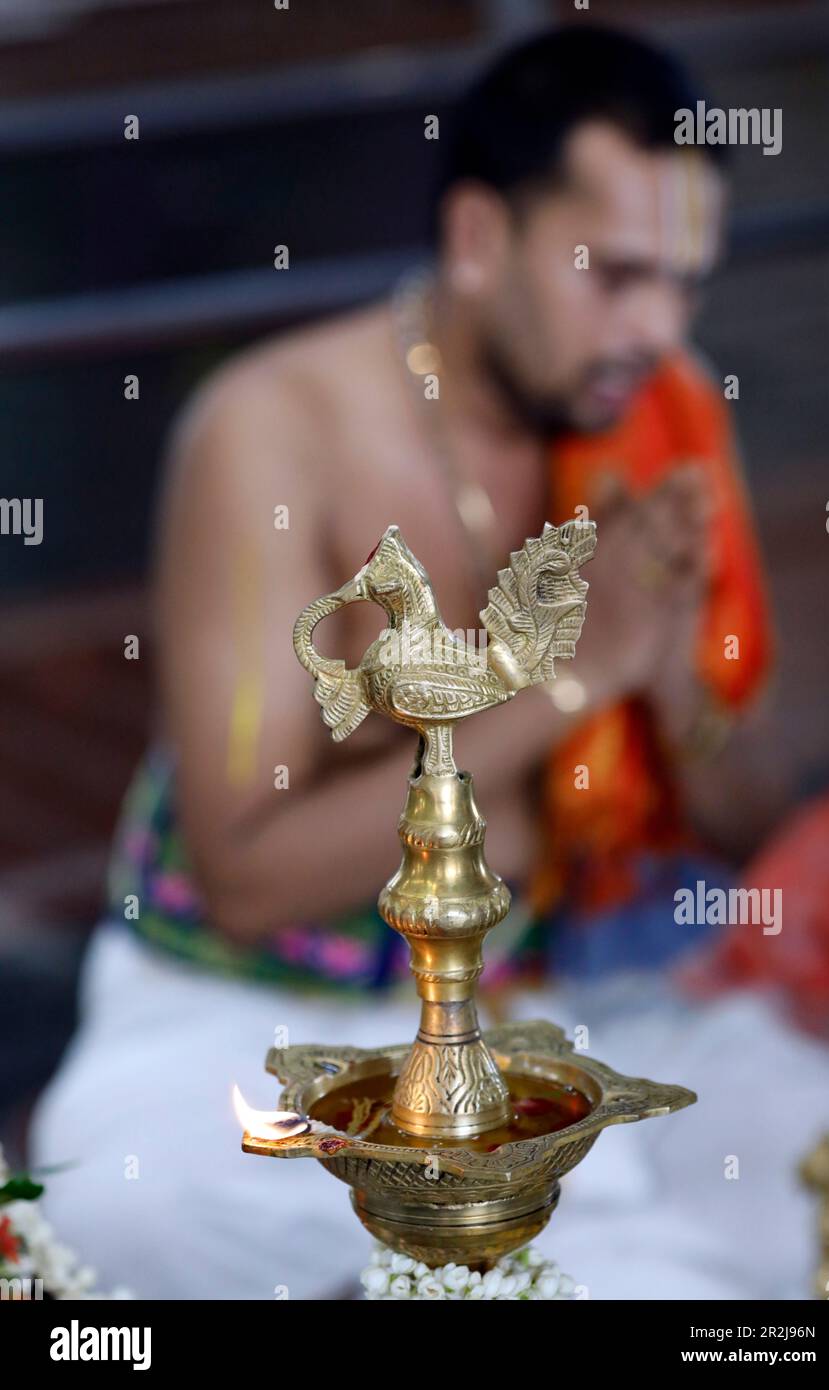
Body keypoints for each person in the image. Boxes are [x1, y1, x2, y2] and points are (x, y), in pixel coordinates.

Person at [30, 25, 785, 1299]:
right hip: (249, 1019)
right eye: (616, 276)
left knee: (801, 1183)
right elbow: (249, 874)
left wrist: (667, 682)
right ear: (481, 238)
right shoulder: (273, 431)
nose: (655, 328)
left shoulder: (656, 419)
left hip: (538, 1008)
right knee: (122, 1219)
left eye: (684, 283)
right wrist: (572, 674)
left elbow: (748, 824)